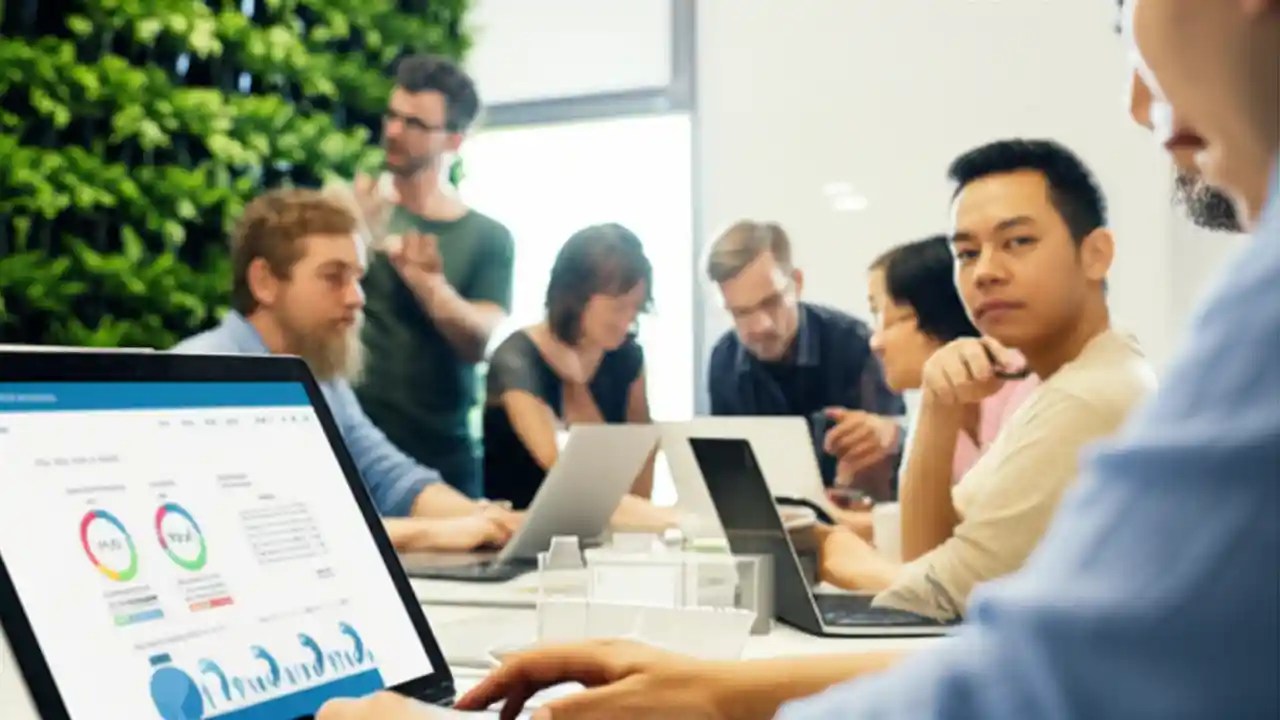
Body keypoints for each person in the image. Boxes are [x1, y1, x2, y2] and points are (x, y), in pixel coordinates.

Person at [319, 1, 1280, 717]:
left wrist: (725, 690)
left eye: (1127, 13)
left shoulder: (1117, 382)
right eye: (966, 253)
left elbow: (1002, 645)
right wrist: (717, 688)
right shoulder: (1067, 387)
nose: (1138, 91)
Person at [818, 140, 1157, 620]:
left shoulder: (1088, 397)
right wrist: (937, 405)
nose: (986, 273)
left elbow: (937, 595)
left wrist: (836, 551)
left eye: (1018, 242)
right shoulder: (1067, 380)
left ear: (1096, 254)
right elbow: (929, 554)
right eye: (967, 253)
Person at [174, 188, 516, 553]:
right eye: (333, 277)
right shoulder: (198, 375)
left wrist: (492, 520)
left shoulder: (319, 374)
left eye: (357, 277)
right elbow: (264, 527)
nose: (357, 297)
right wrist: (433, 533)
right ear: (264, 282)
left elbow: (391, 477)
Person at [345, 54, 515, 499]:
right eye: (393, 116)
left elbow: (478, 341)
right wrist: (351, 237)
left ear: (453, 140)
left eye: (415, 124)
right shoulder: (353, 212)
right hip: (353, 451)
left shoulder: (487, 237)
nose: (395, 131)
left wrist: (428, 284)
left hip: (445, 458)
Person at [482, 224, 671, 527]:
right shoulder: (517, 360)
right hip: (521, 531)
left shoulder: (627, 358)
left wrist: (643, 525)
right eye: (617, 307)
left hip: (608, 529)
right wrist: (672, 521)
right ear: (576, 296)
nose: (627, 321)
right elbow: (568, 473)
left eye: (635, 309)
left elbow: (642, 451)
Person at [704, 220, 905, 501]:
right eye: (740, 313)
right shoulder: (723, 360)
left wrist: (886, 438)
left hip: (855, 520)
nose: (760, 325)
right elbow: (727, 474)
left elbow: (894, 459)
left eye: (770, 302)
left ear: (797, 283)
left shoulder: (856, 345)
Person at [866, 235, 1038, 486]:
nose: (876, 342)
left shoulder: (1025, 385)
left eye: (888, 318)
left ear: (936, 314)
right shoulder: (943, 405)